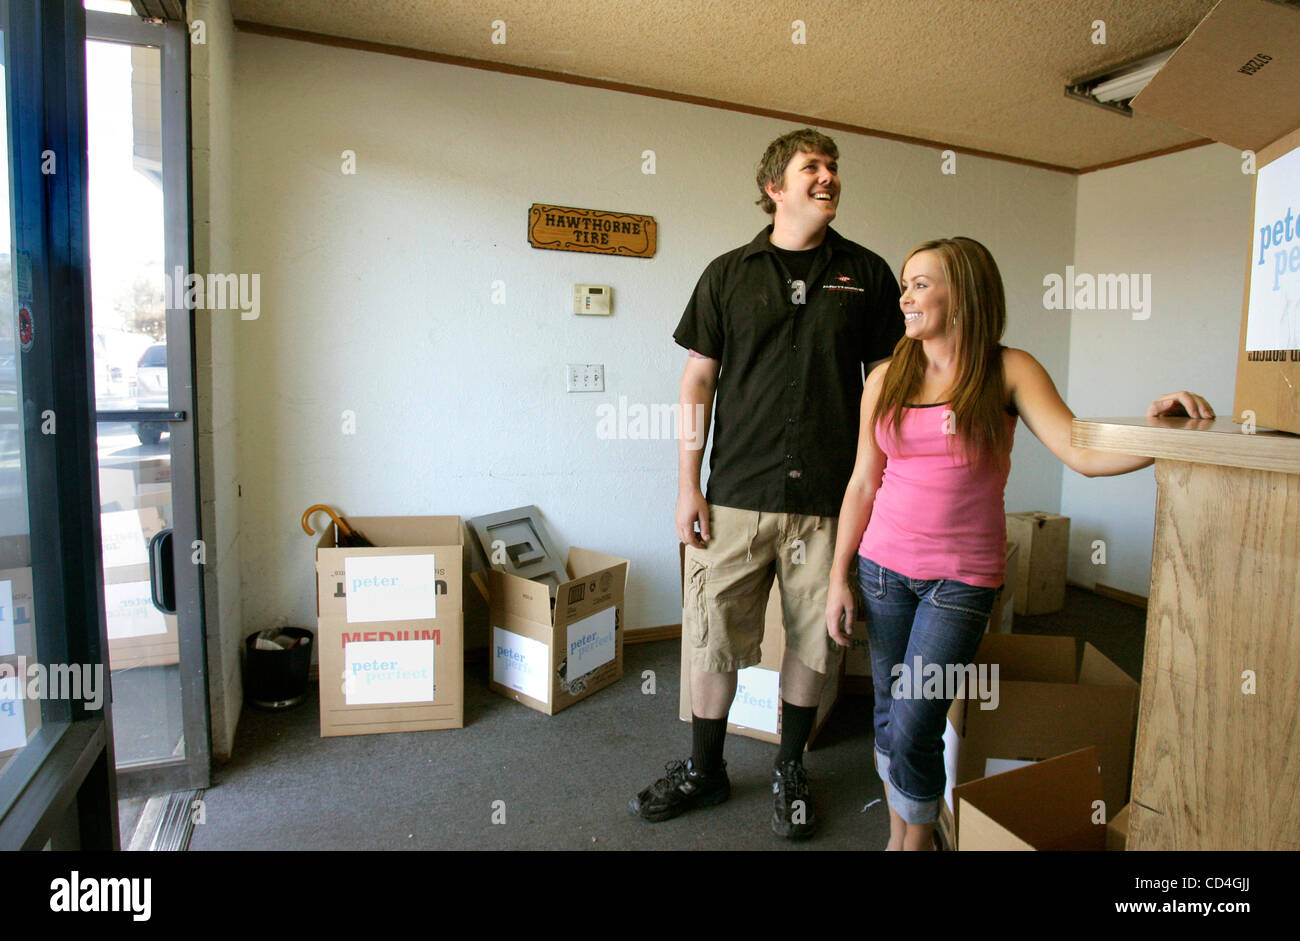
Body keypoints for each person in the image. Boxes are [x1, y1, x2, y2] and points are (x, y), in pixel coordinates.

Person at [824, 236, 1213, 850]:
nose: (905, 296)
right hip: (882, 569)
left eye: (921, 283)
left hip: (960, 581)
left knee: (917, 716)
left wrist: (1165, 432)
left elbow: (1079, 450)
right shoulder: (887, 377)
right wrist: (837, 577)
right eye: (905, 283)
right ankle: (900, 831)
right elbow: (861, 485)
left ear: (964, 294)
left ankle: (917, 842)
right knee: (888, 713)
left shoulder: (1009, 369)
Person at [628, 128, 904, 839]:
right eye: (811, 166)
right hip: (734, 494)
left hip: (828, 501)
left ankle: (789, 766)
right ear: (774, 187)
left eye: (834, 167)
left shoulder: (869, 275)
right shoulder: (726, 274)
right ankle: (705, 769)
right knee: (712, 634)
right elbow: (697, 378)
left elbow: (886, 381)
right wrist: (687, 484)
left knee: (817, 640)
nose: (828, 176)